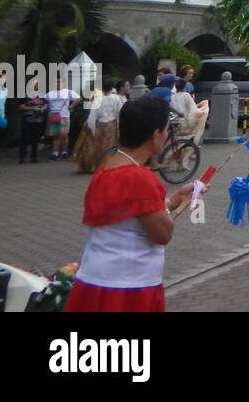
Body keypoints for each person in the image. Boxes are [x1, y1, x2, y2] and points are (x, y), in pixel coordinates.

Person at [63, 97, 193, 312]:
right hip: (127, 288)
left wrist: (176, 198)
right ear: (155, 136)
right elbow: (162, 234)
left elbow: (130, 217)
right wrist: (180, 207)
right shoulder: (140, 178)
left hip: (93, 281)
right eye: (167, 130)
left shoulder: (107, 168)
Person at [71, 84, 125, 174]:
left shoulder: (98, 99)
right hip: (111, 124)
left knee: (99, 146)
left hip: (100, 125)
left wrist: (90, 127)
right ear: (111, 88)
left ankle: (99, 165)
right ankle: (110, 164)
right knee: (110, 145)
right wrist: (119, 125)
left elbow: (93, 115)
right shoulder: (116, 98)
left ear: (102, 89)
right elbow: (119, 112)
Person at [45, 73, 81, 160]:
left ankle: (64, 151)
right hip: (53, 117)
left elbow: (78, 98)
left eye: (59, 82)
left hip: (64, 116)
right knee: (55, 135)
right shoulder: (49, 94)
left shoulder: (68, 92)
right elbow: (46, 104)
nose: (58, 84)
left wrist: (71, 106)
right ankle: (55, 152)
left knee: (64, 135)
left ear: (63, 84)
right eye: (56, 82)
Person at [168, 78, 209, 145]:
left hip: (173, 121)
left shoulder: (172, 96)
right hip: (184, 122)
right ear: (184, 87)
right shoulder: (186, 95)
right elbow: (193, 109)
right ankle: (194, 144)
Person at [19, 87, 49, 164]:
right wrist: (32, 108)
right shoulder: (25, 95)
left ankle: (34, 157)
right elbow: (21, 106)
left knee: (36, 139)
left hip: (38, 121)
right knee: (25, 139)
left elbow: (46, 104)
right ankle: (22, 157)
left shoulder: (42, 95)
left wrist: (42, 109)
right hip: (27, 120)